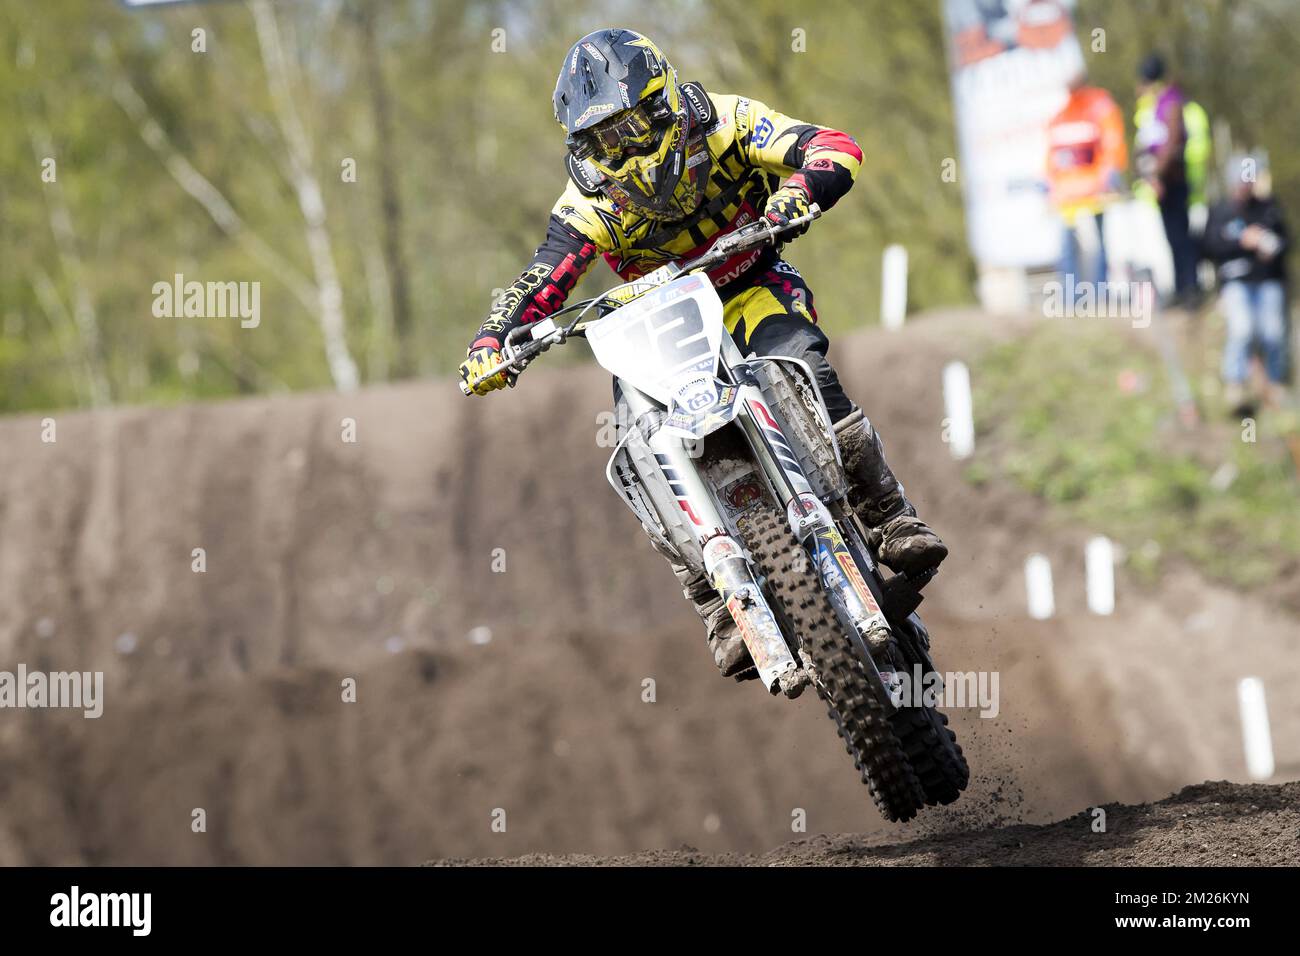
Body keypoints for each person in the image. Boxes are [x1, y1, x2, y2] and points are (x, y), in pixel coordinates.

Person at [458, 29, 947, 679]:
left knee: (806, 366)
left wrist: (797, 195)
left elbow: (832, 146)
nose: (623, 152)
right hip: (658, 328)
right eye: (605, 142)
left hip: (749, 289)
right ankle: (715, 598)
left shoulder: (725, 124)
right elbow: (543, 278)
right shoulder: (590, 200)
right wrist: (495, 341)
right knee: (638, 446)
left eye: (630, 129)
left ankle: (887, 516)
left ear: (663, 104)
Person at [1201, 153, 1290, 414]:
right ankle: (1236, 384)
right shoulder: (1220, 211)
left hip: (1267, 280)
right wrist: (1241, 242)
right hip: (1236, 282)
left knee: (1272, 332)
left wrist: (1269, 245)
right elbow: (1208, 247)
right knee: (1242, 329)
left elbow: (1286, 243)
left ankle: (1275, 384)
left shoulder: (1268, 208)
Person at [1045, 68, 1127, 293]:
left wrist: (1107, 178)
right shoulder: (1065, 114)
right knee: (1074, 243)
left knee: (1091, 242)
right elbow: (1053, 157)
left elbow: (1112, 147)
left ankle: (1095, 295)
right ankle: (1079, 297)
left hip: (1089, 190)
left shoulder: (1097, 108)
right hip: (1073, 193)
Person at [1133, 53, 1199, 305]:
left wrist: (1157, 176)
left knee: (1181, 235)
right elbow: (1148, 143)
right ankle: (1181, 289)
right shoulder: (1155, 106)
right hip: (1160, 181)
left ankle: (1190, 288)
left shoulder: (1171, 103)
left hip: (1173, 179)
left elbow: (1171, 145)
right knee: (1171, 236)